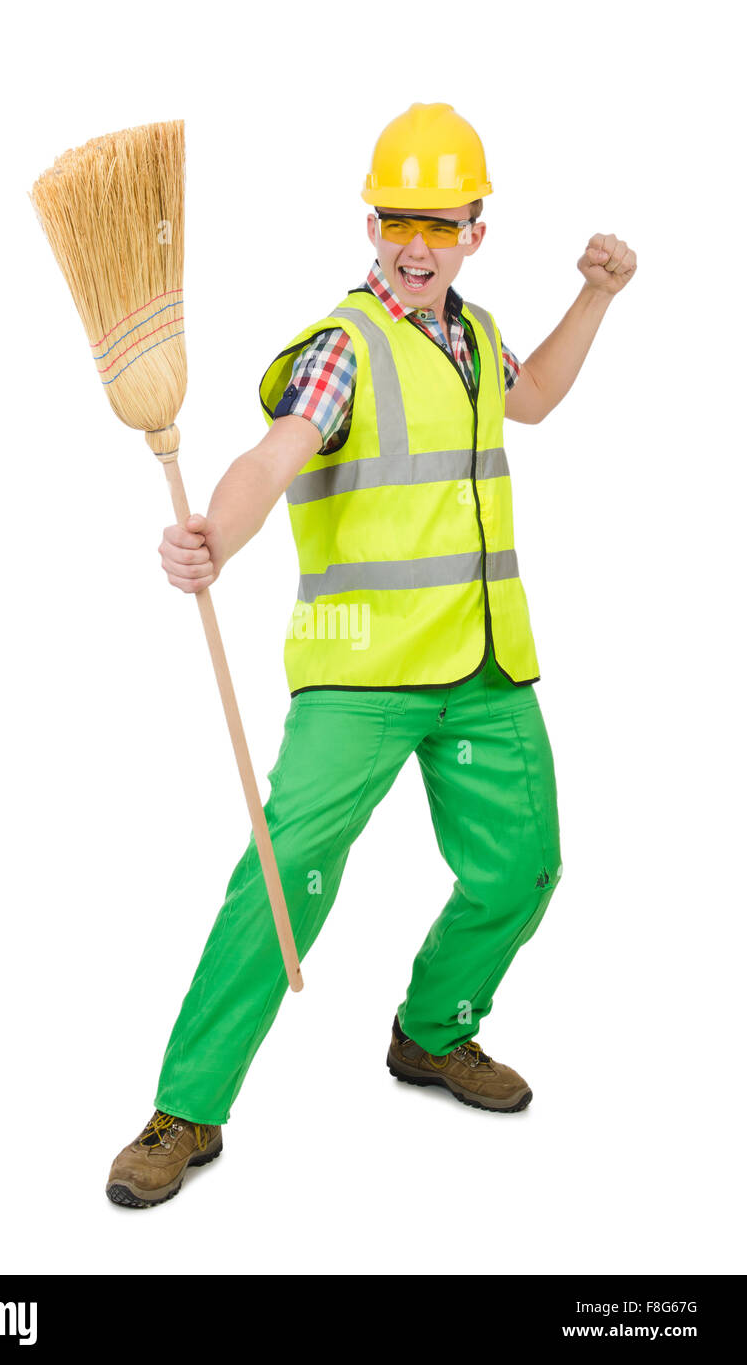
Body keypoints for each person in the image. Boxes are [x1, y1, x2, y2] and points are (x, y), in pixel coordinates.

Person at [106, 102, 637, 1208]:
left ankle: (433, 1032)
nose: (415, 243)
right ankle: (184, 1109)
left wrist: (596, 295)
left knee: (523, 869)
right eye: (399, 220)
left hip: (486, 667)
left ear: (475, 232)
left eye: (439, 225)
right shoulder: (347, 348)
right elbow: (274, 455)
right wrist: (215, 531)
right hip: (361, 675)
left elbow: (530, 398)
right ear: (373, 221)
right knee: (281, 879)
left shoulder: (479, 335)